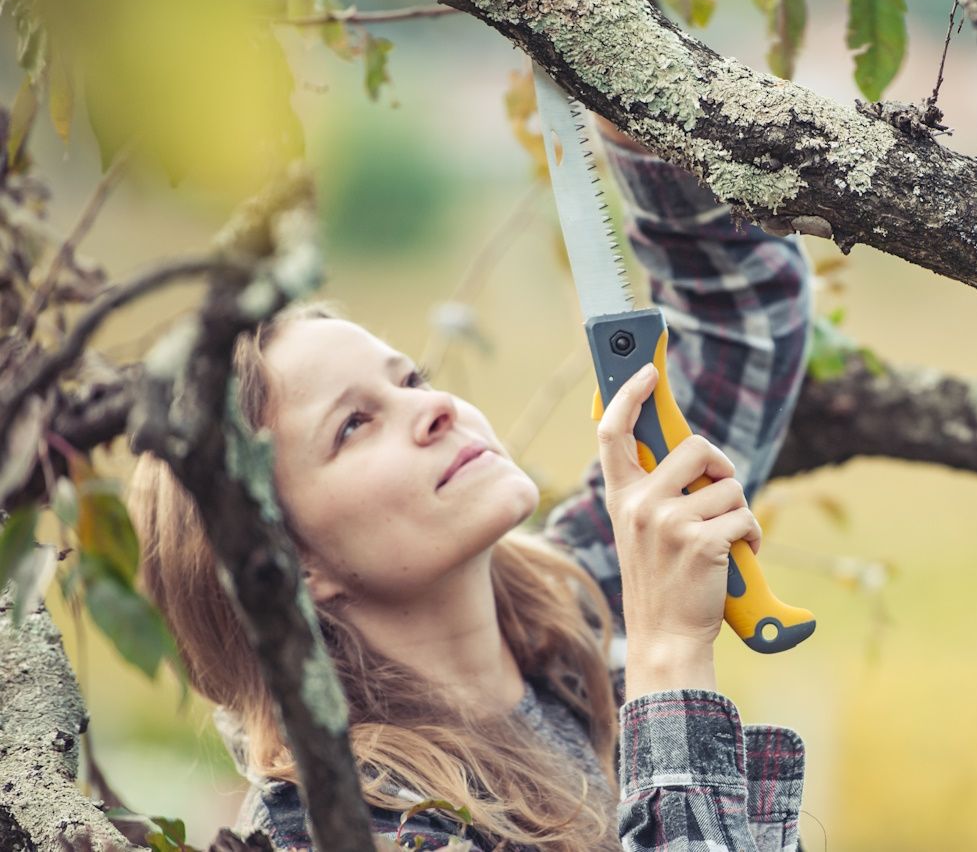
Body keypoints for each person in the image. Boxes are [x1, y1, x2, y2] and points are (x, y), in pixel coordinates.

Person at [127, 121, 812, 852]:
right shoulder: (335, 834)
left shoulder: (577, 616)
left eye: (411, 379)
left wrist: (639, 116)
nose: (434, 408)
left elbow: (743, 324)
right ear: (286, 564)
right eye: (354, 425)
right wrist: (670, 660)